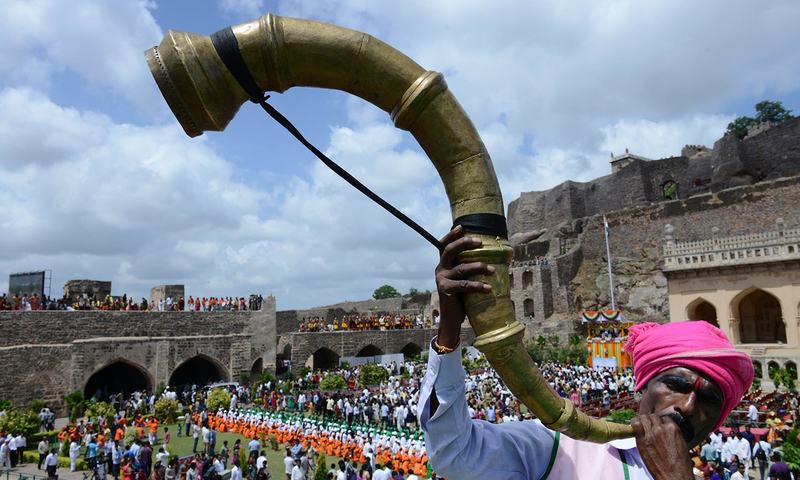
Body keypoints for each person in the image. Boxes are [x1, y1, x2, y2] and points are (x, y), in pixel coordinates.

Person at [420, 226, 755, 480]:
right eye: (677, 385)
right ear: (644, 384)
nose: (687, 406)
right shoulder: (560, 448)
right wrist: (449, 332)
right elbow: (455, 452)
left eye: (709, 400)